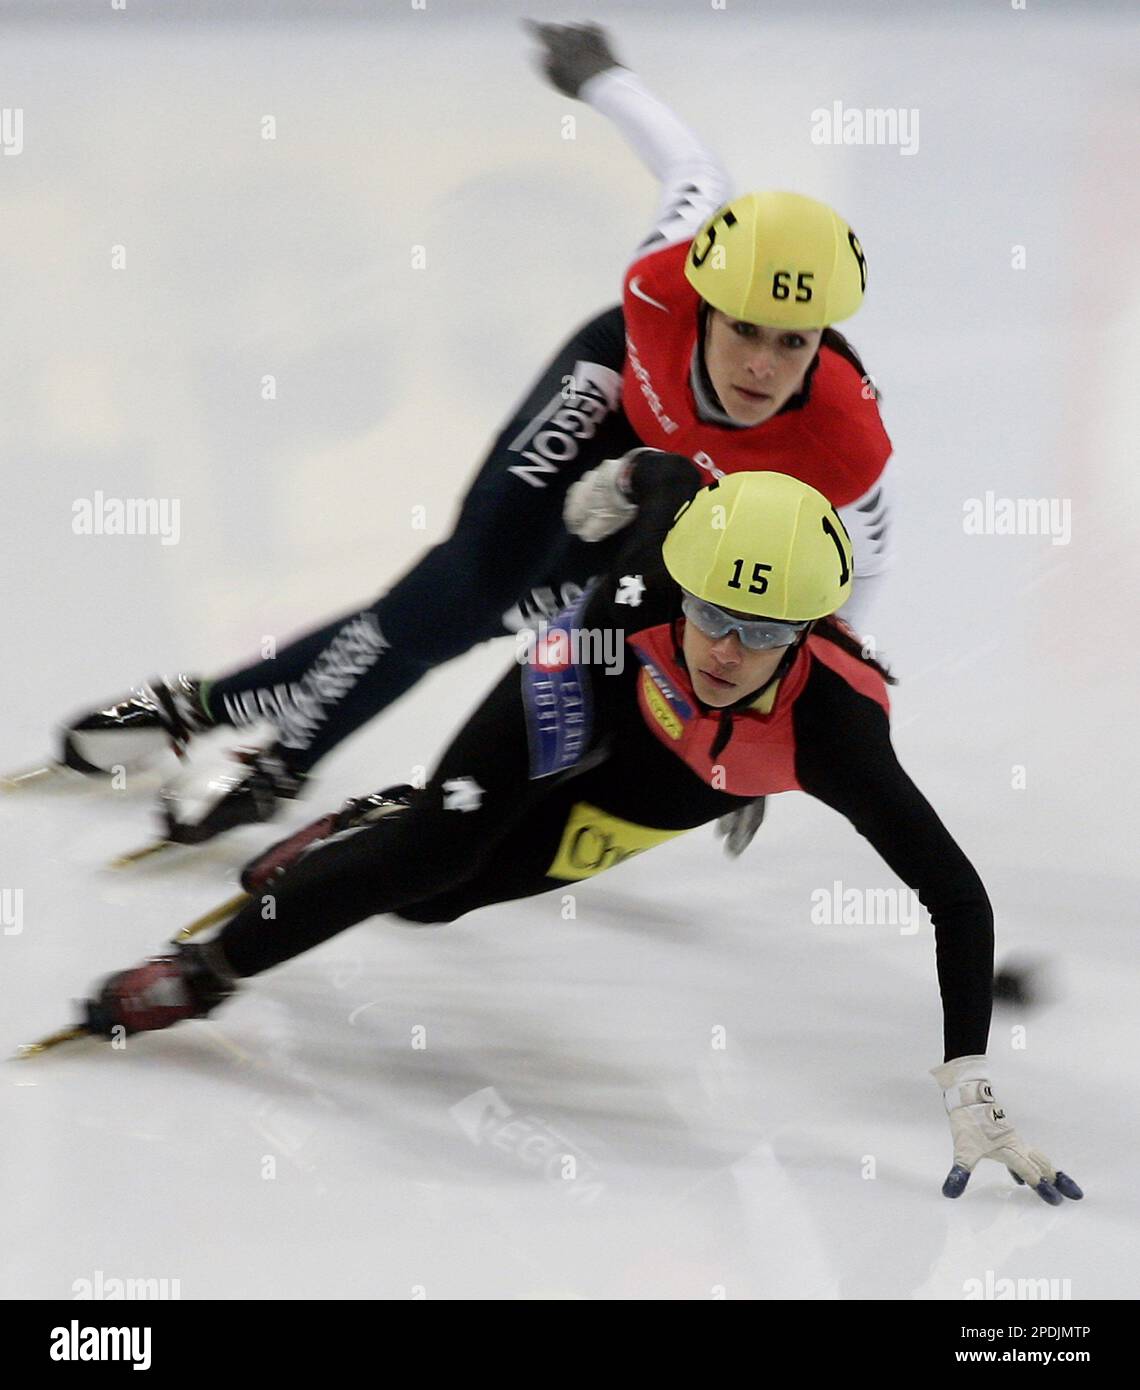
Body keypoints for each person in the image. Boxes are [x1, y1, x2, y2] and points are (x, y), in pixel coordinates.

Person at [76, 460, 1078, 1205]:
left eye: (769, 632)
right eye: (718, 614)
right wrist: (615, 480)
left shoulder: (839, 736)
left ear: (810, 632)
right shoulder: (651, 580)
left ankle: (372, 823)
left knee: (432, 903)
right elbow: (673, 478)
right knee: (440, 847)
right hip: (593, 670)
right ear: (685, 584)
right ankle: (203, 972)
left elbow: (956, 894)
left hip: (674, 777)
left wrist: (967, 1077)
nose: (731, 649)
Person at [51, 22, 893, 850]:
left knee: (494, 616)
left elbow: (840, 593)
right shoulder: (665, 274)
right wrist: (601, 76)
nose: (764, 366)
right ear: (703, 302)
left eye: (795, 341)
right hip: (608, 389)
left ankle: (213, 712)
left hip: (669, 483)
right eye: (746, 329)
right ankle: (275, 758)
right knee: (461, 591)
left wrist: (771, 711)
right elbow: (694, 167)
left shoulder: (842, 449)